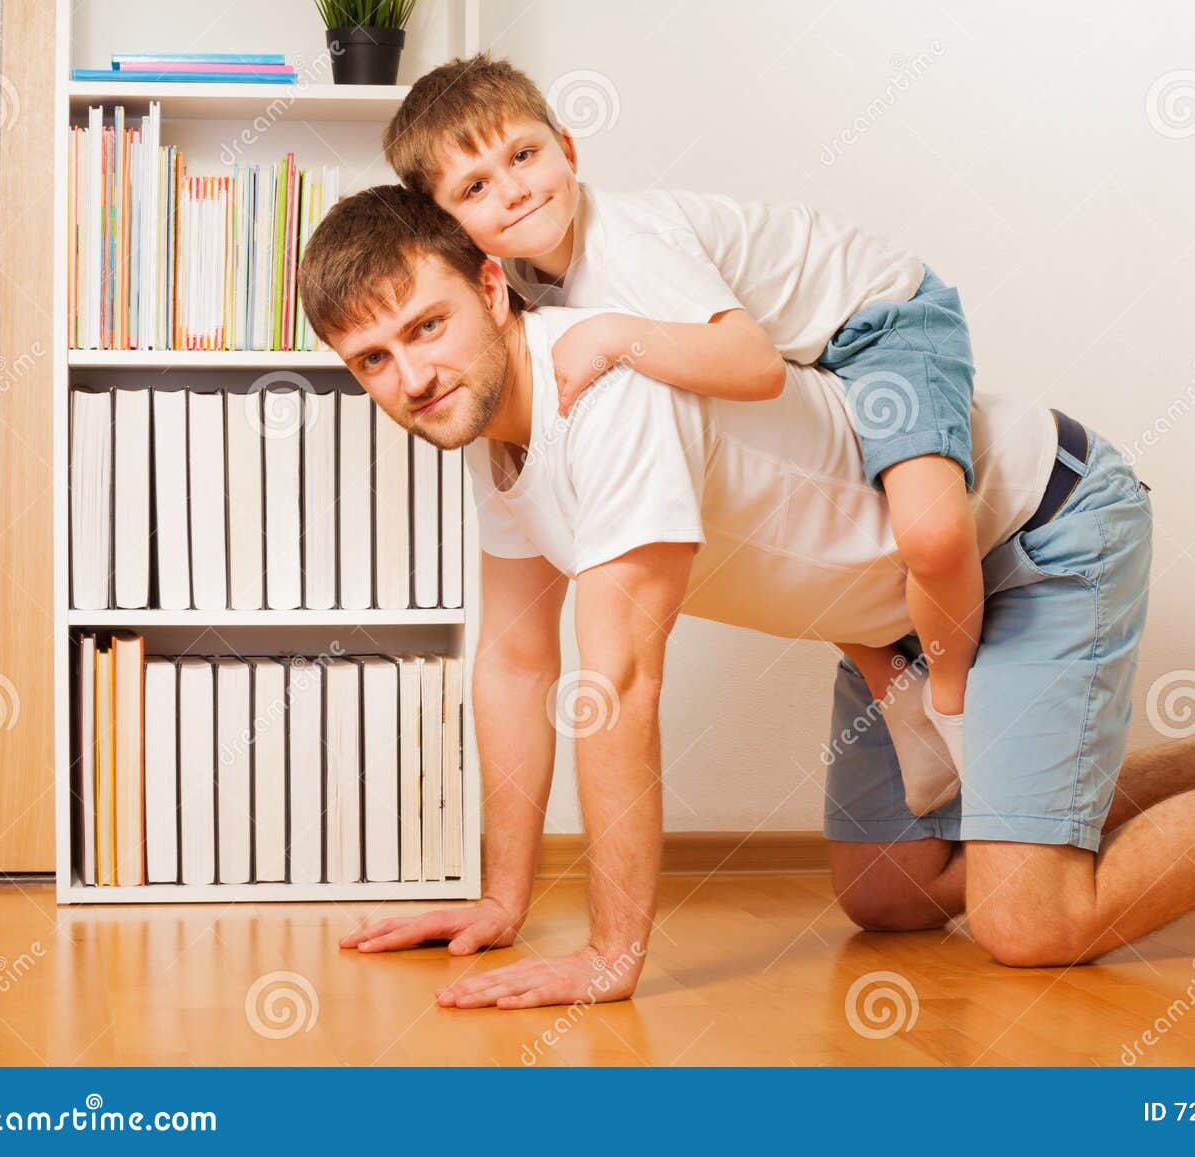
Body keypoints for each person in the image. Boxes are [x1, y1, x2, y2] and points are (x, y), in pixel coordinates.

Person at [300, 186, 1195, 1011]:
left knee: (1028, 924)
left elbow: (620, 681)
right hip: (898, 617)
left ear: (492, 287)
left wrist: (610, 954)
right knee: (889, 889)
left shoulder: (609, 391)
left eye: (427, 327)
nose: (411, 377)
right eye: (372, 361)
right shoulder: (496, 442)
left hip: (1037, 532)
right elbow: (512, 661)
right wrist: (500, 900)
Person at [379, 53, 993, 813]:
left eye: (525, 155)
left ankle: (952, 702)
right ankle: (888, 682)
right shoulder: (523, 281)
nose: (512, 191)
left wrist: (615, 335)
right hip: (811, 349)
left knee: (930, 535)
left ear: (568, 150)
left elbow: (756, 367)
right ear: (455, 233)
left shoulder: (626, 243)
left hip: (880, 321)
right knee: (759, 523)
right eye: (475, 187)